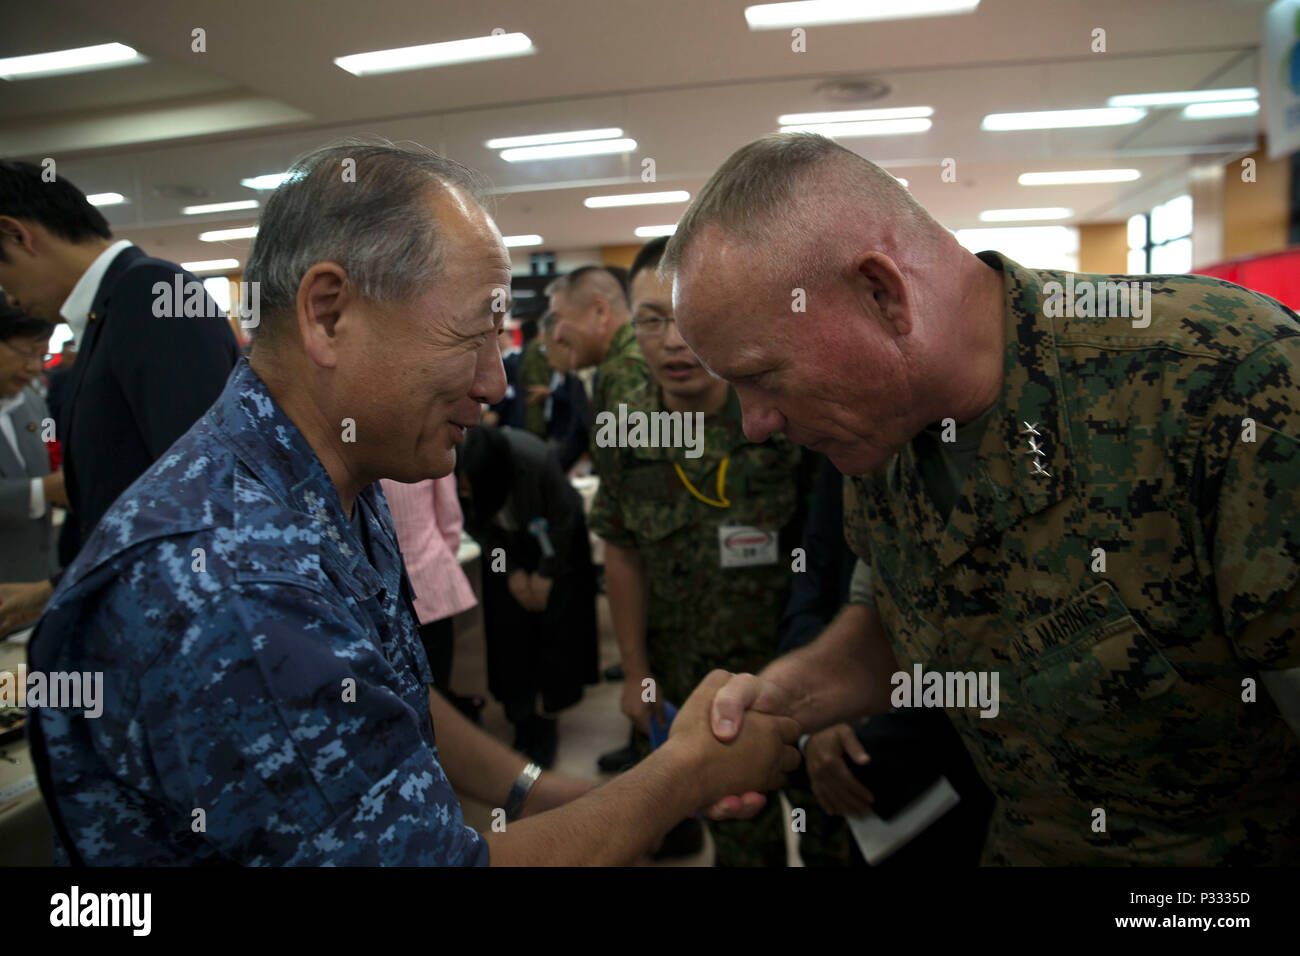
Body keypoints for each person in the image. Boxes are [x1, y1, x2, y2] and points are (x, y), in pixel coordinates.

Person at [25, 138, 799, 866]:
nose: (497, 384)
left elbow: (385, 692)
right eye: (472, 336)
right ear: (328, 313)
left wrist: (544, 793)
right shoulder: (237, 589)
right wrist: (684, 776)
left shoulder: (329, 477)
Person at [663, 131, 1300, 865]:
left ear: (882, 293)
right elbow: (892, 621)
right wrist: (780, 700)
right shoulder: (877, 434)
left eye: (764, 376)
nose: (755, 423)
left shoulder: (1224, 386)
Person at [587, 236, 806, 866]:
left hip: (796, 670)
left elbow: (834, 557)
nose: (674, 342)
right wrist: (635, 673)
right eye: (652, 321)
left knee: (838, 831)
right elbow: (622, 551)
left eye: (688, 319)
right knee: (741, 841)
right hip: (695, 686)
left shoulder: (784, 422)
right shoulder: (629, 430)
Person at [0, 159, 240, 627]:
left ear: (16, 235)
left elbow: (196, 487)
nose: (8, 298)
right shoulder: (112, 307)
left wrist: (57, 588)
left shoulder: (151, 294)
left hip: (180, 622)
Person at [455, 424, 598, 768]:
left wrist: (546, 576)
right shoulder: (457, 466)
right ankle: (521, 717)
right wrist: (513, 573)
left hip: (554, 539)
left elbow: (564, 519)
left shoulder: (533, 459)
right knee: (509, 633)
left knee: (553, 629)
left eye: (469, 485)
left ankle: (548, 716)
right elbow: (475, 524)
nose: (463, 489)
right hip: (504, 547)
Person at [379, 473, 484, 722]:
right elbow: (450, 521)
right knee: (437, 680)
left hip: (384, 586)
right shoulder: (432, 448)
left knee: (396, 680)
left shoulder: (367, 450)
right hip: (430, 580)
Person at [0, 295, 64, 595]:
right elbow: (46, 484)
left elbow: (50, 455)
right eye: (27, 354)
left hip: (36, 577)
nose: (34, 367)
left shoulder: (34, 404)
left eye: (42, 356)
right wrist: (45, 489)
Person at [538, 311, 593, 473]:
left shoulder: (605, 373)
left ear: (561, 342)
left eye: (546, 348)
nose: (547, 357)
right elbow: (576, 439)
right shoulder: (577, 383)